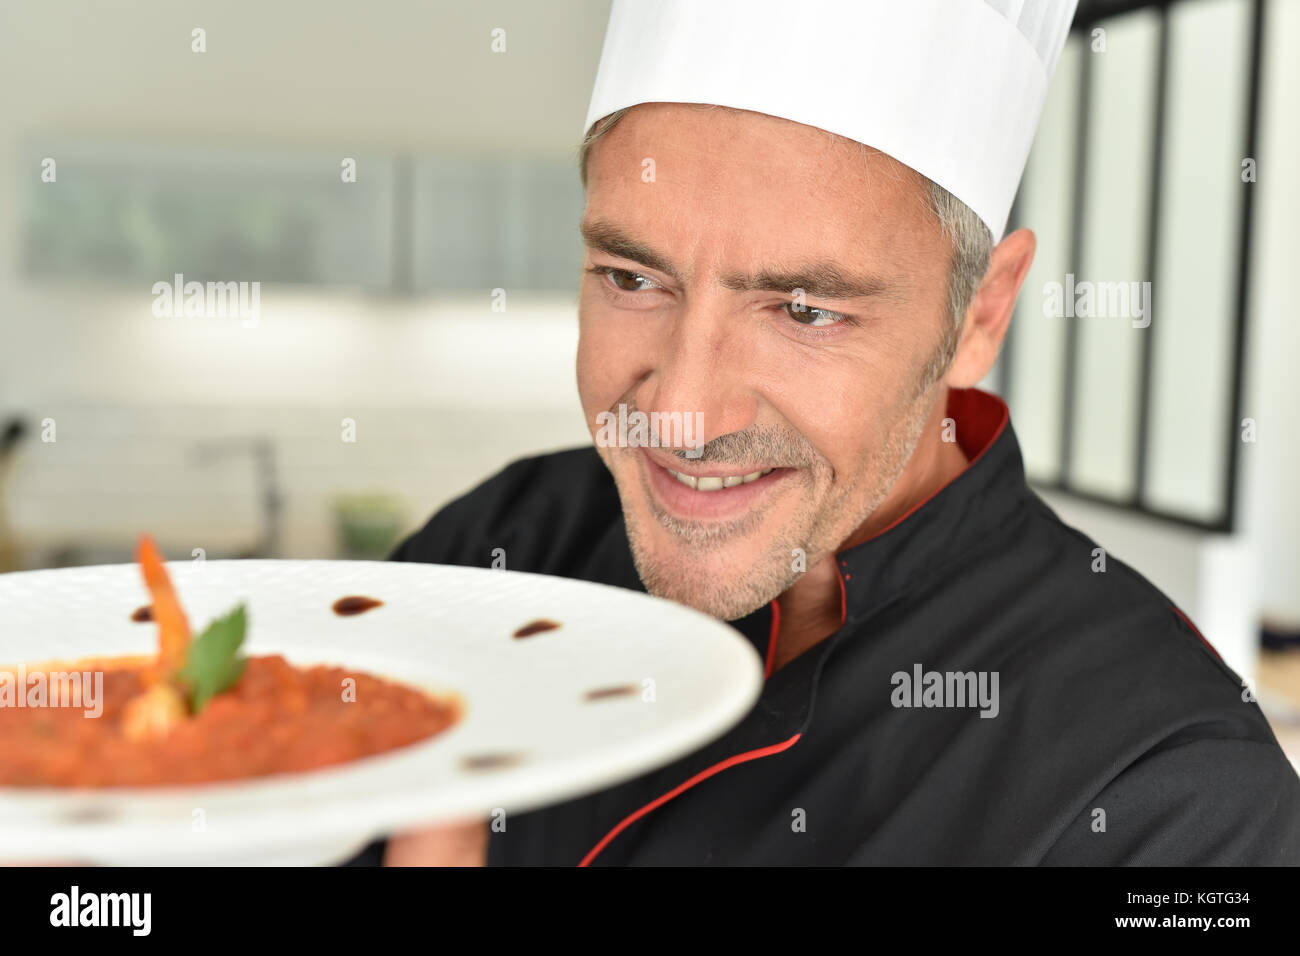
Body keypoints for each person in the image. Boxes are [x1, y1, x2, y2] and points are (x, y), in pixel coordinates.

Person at [364, 0, 1300, 865]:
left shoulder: (1177, 795)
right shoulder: (498, 543)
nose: (684, 409)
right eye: (631, 278)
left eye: (805, 310)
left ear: (981, 315)